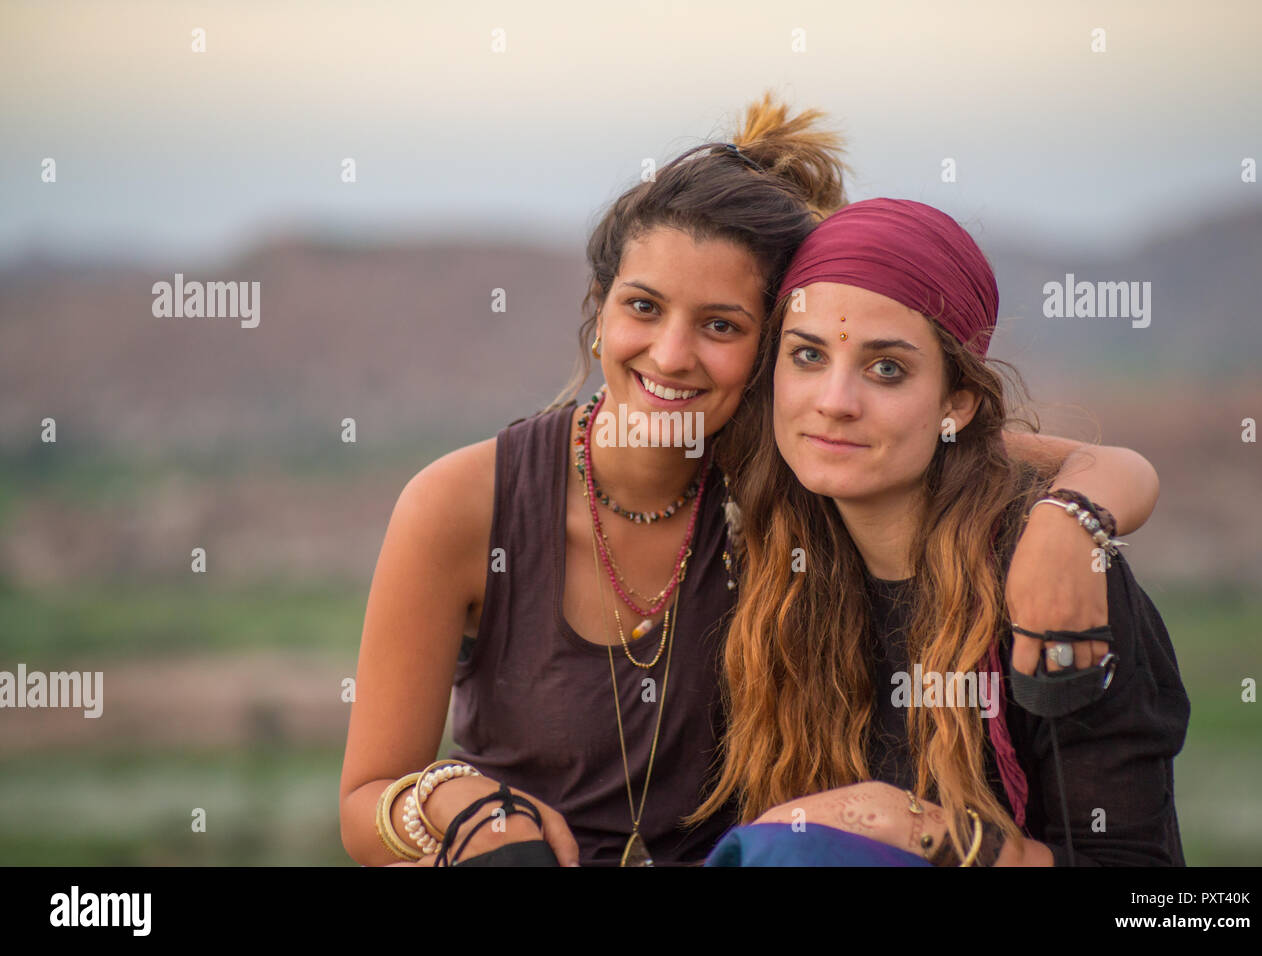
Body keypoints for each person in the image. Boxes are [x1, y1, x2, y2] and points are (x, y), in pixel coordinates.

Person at [339, 95, 1164, 868]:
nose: (669, 355)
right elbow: (364, 799)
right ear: (598, 310)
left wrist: (1073, 518)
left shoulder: (794, 479)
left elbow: (977, 447)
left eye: (722, 326)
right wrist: (453, 801)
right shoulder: (467, 504)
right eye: (643, 307)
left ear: (767, 349)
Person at [692, 198, 1189, 866]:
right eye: (807, 355)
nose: (834, 401)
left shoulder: (1043, 576)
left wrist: (928, 833)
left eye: (886, 368)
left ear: (957, 402)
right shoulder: (769, 545)